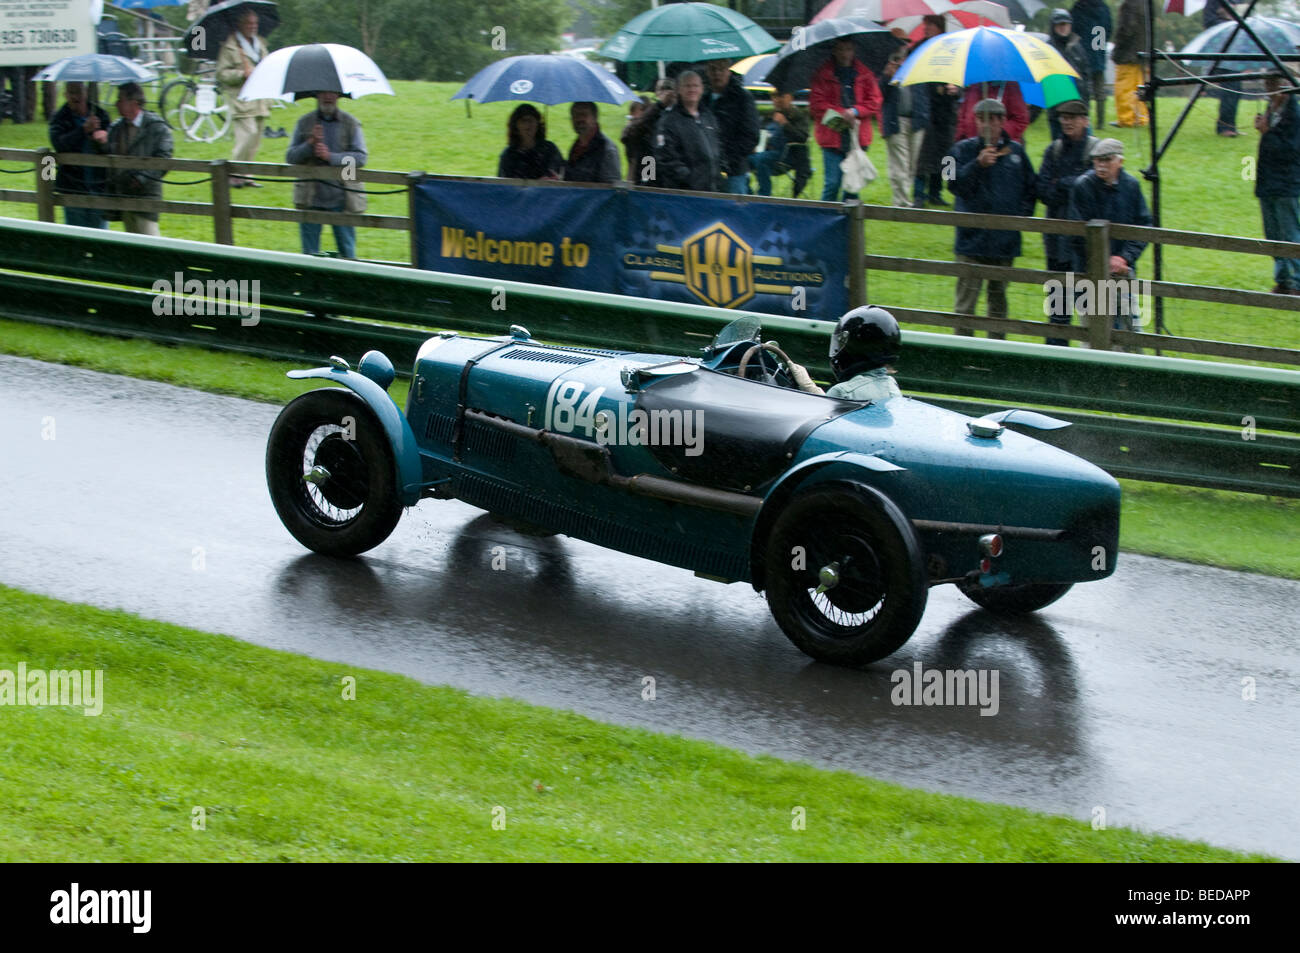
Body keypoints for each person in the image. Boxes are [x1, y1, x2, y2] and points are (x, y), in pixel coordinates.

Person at [947, 98, 1037, 339]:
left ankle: (996, 351)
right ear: (975, 120)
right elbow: (951, 184)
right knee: (965, 304)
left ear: (1001, 121)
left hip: (1004, 240)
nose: (986, 125)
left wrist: (1021, 216)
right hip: (970, 239)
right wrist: (977, 165)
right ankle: (963, 351)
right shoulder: (960, 149)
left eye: (992, 120)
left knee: (998, 302)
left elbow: (1032, 186)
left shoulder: (1017, 151)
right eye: (981, 119)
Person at [1067, 138, 1153, 332]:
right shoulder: (1083, 186)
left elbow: (1143, 225)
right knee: (1093, 334)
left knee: (1130, 333)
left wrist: (1124, 258)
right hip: (1089, 274)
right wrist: (1103, 260)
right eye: (1097, 160)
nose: (1101, 165)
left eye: (1107, 160)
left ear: (1120, 162)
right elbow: (1076, 234)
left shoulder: (1131, 186)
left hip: (1122, 273)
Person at [1036, 100, 1097, 344]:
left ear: (1085, 120)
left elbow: (1093, 190)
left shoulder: (1096, 151)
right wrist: (1073, 183)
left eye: (1073, 117)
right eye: (1063, 117)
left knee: (1089, 306)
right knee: (1057, 306)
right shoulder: (1054, 150)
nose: (1068, 122)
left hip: (1086, 244)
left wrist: (1062, 183)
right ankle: (1056, 357)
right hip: (1056, 240)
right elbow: (1043, 191)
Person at [286, 90, 367, 259]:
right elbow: (291, 157)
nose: (328, 97)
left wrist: (331, 157)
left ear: (339, 96)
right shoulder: (304, 123)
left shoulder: (350, 123)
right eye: (323, 93)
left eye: (332, 93)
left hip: (343, 198)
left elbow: (360, 158)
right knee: (309, 256)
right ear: (316, 95)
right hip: (310, 198)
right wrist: (310, 144)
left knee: (348, 255)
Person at [90, 82, 173, 236]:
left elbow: (163, 158)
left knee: (152, 243)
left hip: (146, 195)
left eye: (120, 99)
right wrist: (100, 143)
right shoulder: (117, 128)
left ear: (133, 103)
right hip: (124, 193)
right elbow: (110, 157)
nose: (116, 103)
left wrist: (141, 179)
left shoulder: (156, 127)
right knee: (132, 241)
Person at [810, 37, 883, 202]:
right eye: (841, 49)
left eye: (848, 49)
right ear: (834, 51)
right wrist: (842, 113)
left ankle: (850, 225)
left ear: (854, 50)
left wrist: (856, 111)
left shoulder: (865, 74)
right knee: (832, 184)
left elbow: (875, 101)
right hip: (832, 137)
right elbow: (816, 104)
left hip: (857, 137)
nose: (845, 54)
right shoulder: (822, 75)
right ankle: (825, 222)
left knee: (853, 185)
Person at [787, 306, 903, 403]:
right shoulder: (892, 386)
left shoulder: (842, 392)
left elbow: (822, 420)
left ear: (856, 348)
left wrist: (808, 387)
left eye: (842, 343)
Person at [1253, 74, 1300, 294]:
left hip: (1286, 183)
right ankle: (1283, 280)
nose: (1269, 89)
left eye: (1273, 84)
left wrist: (1266, 133)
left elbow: (1290, 150)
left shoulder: (1294, 115)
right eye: (1267, 84)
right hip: (1268, 183)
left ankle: (1298, 281)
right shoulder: (1272, 110)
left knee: (1291, 235)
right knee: (1272, 236)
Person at [216, 6, 272, 188]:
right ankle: (233, 174)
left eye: (255, 22)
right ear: (240, 24)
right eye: (249, 23)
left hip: (260, 99)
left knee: (255, 140)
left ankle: (246, 174)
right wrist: (241, 74)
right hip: (242, 100)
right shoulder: (230, 46)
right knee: (247, 136)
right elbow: (222, 74)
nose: (253, 26)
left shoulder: (260, 43)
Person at [49, 82, 112, 228]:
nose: (75, 96)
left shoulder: (101, 115)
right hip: (73, 188)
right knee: (75, 239)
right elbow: (59, 144)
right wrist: (83, 130)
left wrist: (103, 140)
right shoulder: (59, 118)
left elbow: (111, 147)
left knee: (101, 238)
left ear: (85, 93)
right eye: (71, 92)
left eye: (78, 92)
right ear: (65, 95)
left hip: (98, 186)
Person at [913, 15, 958, 206]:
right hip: (925, 111)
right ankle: (918, 194)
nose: (926, 28)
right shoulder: (918, 49)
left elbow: (959, 77)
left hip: (946, 113)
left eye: (930, 24)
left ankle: (938, 192)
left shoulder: (952, 49)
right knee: (924, 157)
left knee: (947, 155)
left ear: (939, 27)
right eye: (925, 24)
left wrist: (955, 88)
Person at [654, 70, 721, 192]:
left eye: (696, 86)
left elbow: (719, 146)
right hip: (685, 194)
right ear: (679, 89)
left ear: (702, 89)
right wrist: (690, 180)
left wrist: (722, 172)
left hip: (714, 191)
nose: (692, 89)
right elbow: (666, 159)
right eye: (687, 86)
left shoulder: (708, 117)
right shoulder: (669, 121)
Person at [878, 45, 928, 208]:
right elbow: (879, 96)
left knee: (912, 165)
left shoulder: (918, 68)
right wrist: (888, 78)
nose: (901, 59)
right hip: (895, 121)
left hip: (916, 121)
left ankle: (903, 200)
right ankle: (902, 202)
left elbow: (924, 94)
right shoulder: (887, 69)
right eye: (898, 56)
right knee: (900, 163)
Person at [702, 58, 760, 194]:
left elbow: (751, 135)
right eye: (713, 69)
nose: (717, 73)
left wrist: (728, 158)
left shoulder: (742, 97)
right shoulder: (703, 99)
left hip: (734, 170)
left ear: (728, 71)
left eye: (721, 69)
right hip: (707, 170)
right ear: (707, 72)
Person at [748, 89, 811, 197]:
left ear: (790, 98)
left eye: (781, 96)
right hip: (766, 151)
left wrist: (784, 123)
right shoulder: (769, 116)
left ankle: (764, 195)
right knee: (743, 159)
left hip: (788, 156)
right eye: (775, 97)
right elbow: (758, 133)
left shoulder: (798, 116)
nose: (778, 100)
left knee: (761, 159)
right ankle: (746, 193)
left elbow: (802, 138)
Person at [1045, 10, 1093, 142]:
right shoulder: (1047, 49)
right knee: (1060, 149)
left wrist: (1086, 103)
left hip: (1079, 107)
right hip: (1057, 111)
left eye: (1066, 24)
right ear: (1053, 27)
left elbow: (1086, 74)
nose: (1063, 28)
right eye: (1059, 24)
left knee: (1086, 147)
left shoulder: (1077, 46)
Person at [1205, 0, 1247, 136]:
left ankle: (1231, 126)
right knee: (1230, 88)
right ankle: (1224, 128)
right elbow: (1209, 23)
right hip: (1222, 51)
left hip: (1235, 50)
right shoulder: (1213, 3)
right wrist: (1231, 24)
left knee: (1236, 89)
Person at [622, 77, 675, 185]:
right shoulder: (651, 115)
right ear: (656, 92)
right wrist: (659, 106)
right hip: (649, 172)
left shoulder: (679, 116)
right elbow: (629, 135)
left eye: (669, 88)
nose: (666, 92)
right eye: (662, 89)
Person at [1071, 0, 1112, 130]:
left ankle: (1083, 118)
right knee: (1100, 89)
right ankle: (1101, 122)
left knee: (1083, 89)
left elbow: (1073, 29)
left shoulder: (1079, 7)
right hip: (1098, 51)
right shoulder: (1103, 7)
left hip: (1082, 52)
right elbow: (1109, 28)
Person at [497, 103, 563, 180]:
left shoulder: (550, 149)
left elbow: (560, 174)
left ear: (537, 124)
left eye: (531, 120)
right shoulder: (508, 154)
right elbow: (502, 183)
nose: (528, 124)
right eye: (524, 121)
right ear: (516, 126)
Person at [1111, 0, 1149, 128]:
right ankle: (1141, 118)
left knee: (1125, 88)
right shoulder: (1145, 4)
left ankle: (1127, 119)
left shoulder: (1129, 4)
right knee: (1140, 87)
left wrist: (1117, 47)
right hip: (1142, 53)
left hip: (1128, 54)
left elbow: (1126, 29)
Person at [954, 81, 1029, 143]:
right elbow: (963, 116)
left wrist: (996, 135)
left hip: (999, 148)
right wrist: (960, 139)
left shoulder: (1010, 86)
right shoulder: (974, 86)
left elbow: (1020, 119)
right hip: (971, 145)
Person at [564, 101, 621, 183]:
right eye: (575, 115)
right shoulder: (575, 148)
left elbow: (611, 189)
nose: (579, 119)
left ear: (595, 118)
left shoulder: (607, 149)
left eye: (584, 114)